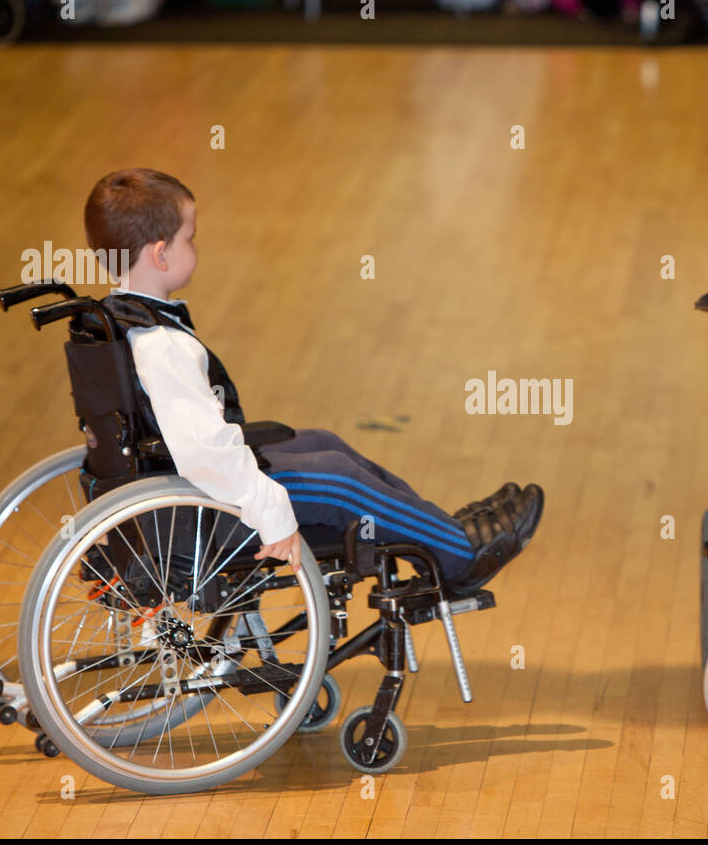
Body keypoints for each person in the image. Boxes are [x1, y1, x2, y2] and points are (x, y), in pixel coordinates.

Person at [83, 167, 542, 594]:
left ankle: (438, 533)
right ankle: (460, 555)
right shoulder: (161, 345)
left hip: (180, 488)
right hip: (200, 508)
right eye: (190, 239)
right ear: (161, 254)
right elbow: (204, 452)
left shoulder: (123, 322)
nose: (196, 248)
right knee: (337, 481)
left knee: (325, 442)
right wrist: (273, 511)